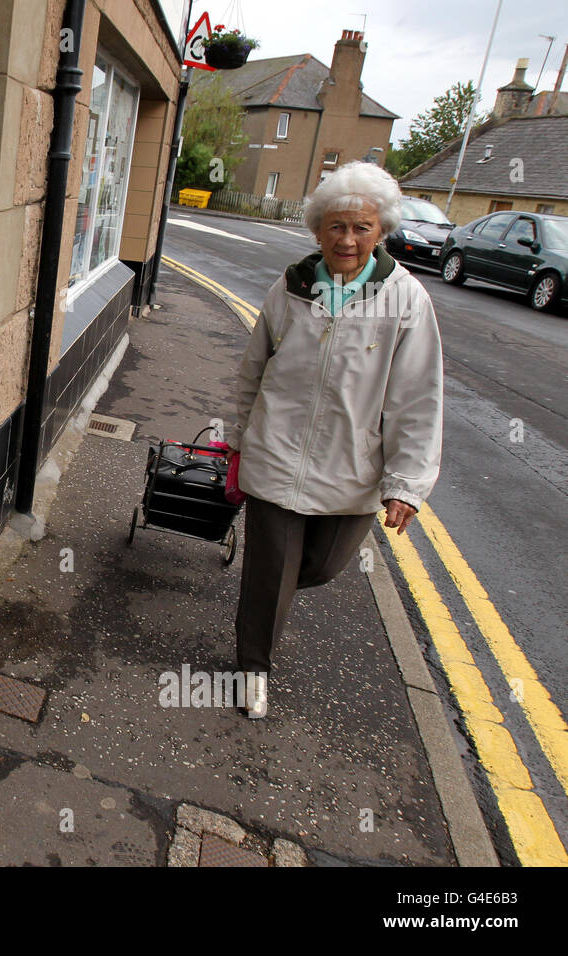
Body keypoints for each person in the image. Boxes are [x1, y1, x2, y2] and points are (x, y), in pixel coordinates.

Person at [227, 161, 443, 718]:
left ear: (381, 232)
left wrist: (406, 483)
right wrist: (236, 437)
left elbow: (417, 398)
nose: (348, 239)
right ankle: (253, 668)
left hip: (352, 467)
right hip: (276, 450)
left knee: (321, 566)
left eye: (362, 228)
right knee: (274, 565)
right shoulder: (291, 286)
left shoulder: (406, 300)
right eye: (336, 226)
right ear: (318, 229)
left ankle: (262, 595)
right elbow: (254, 367)